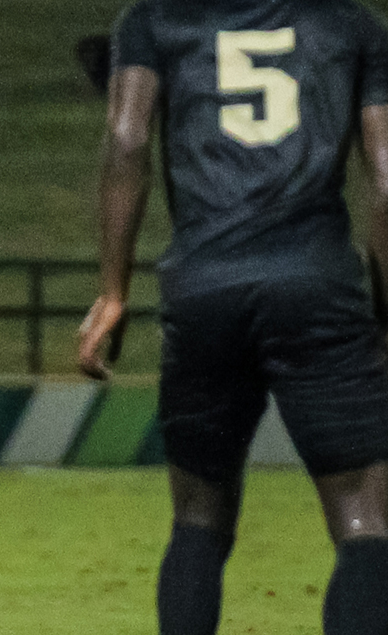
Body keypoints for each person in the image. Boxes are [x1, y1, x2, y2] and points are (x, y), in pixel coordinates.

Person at [78, 0, 388, 633]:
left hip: (203, 288)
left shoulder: (153, 21)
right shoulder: (351, 25)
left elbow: (126, 139)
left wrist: (112, 289)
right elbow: (385, 178)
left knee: (198, 513)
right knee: (365, 513)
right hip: (317, 287)